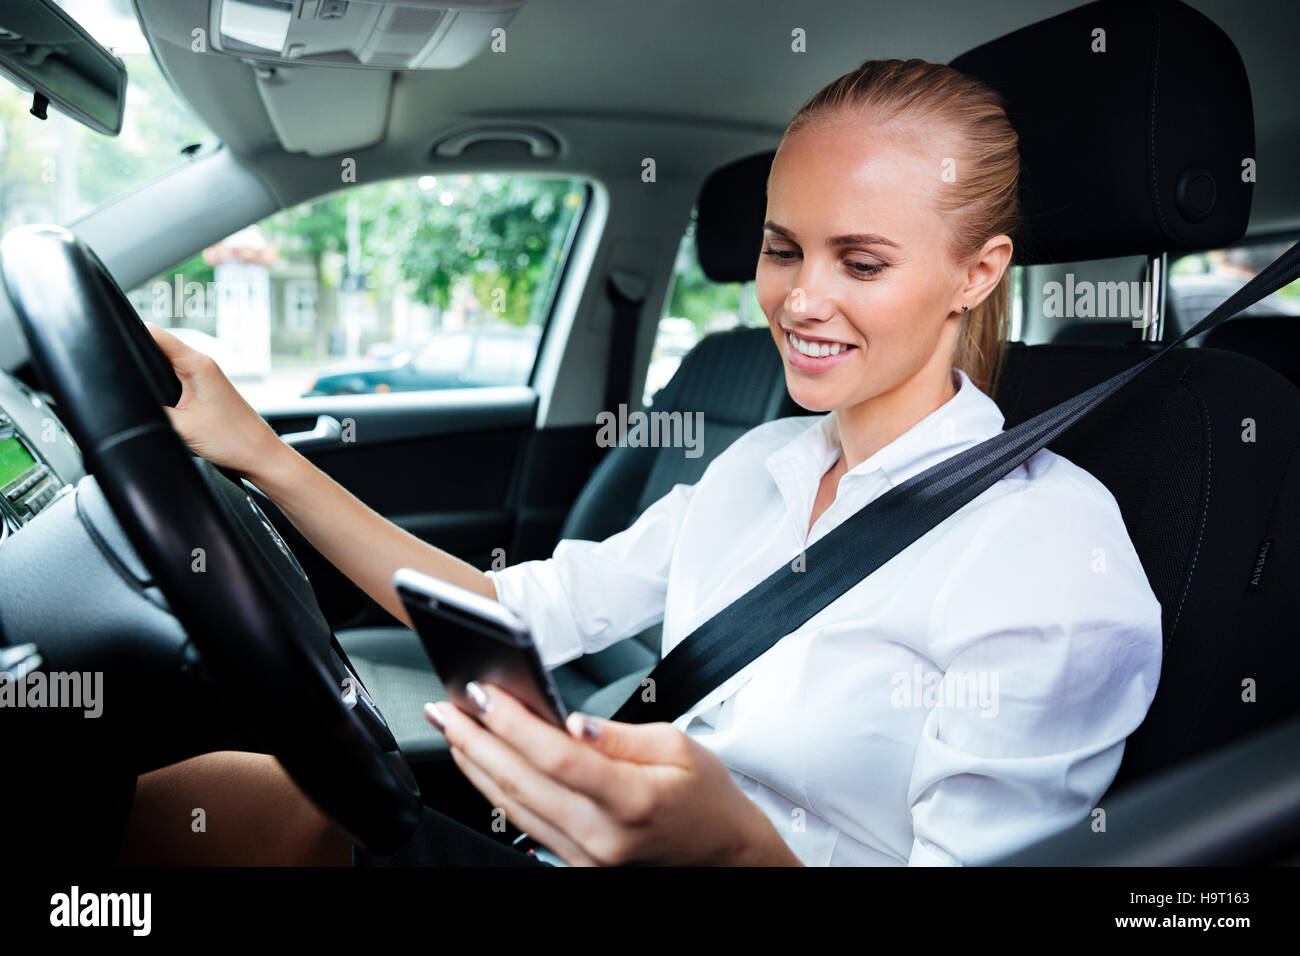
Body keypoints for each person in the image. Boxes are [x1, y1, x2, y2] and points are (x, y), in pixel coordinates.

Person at [116, 58, 1162, 867]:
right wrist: (257, 451)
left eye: (862, 261)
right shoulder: (761, 464)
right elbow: (505, 607)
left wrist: (736, 848)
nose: (799, 299)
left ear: (974, 274)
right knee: (227, 799)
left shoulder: (1051, 555)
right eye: (783, 248)